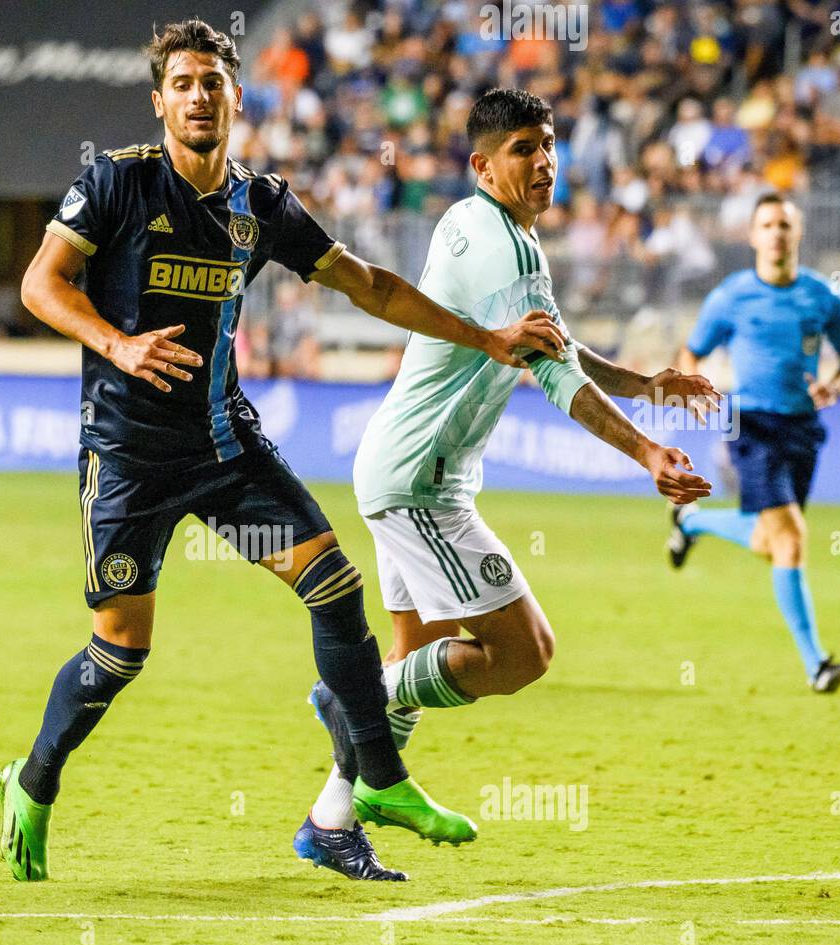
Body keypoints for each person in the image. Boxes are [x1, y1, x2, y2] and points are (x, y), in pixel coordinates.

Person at [0, 20, 567, 884]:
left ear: (236, 99)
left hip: (227, 453)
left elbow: (368, 283)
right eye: (183, 84)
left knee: (334, 588)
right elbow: (43, 283)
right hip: (126, 460)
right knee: (119, 651)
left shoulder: (261, 206)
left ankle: (382, 781)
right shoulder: (115, 183)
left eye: (213, 83)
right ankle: (33, 780)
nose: (199, 97)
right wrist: (119, 346)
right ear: (161, 103)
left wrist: (483, 336)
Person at [303, 89, 717, 828]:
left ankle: (333, 821)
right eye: (524, 149)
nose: (545, 161)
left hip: (398, 467)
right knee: (524, 652)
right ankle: (356, 695)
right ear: (483, 165)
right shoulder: (504, 245)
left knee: (419, 651)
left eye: (549, 144)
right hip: (423, 484)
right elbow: (554, 374)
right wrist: (646, 450)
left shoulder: (478, 225)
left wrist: (646, 383)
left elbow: (560, 347)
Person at [668, 193, 840, 692]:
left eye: (784, 224)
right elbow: (693, 351)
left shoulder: (822, 297)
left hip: (802, 429)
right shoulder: (732, 296)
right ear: (753, 235)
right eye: (767, 224)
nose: (776, 232)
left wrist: (835, 383)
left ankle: (692, 522)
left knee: (768, 541)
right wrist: (698, 388)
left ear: (797, 234)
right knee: (791, 537)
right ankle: (817, 664)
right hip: (749, 424)